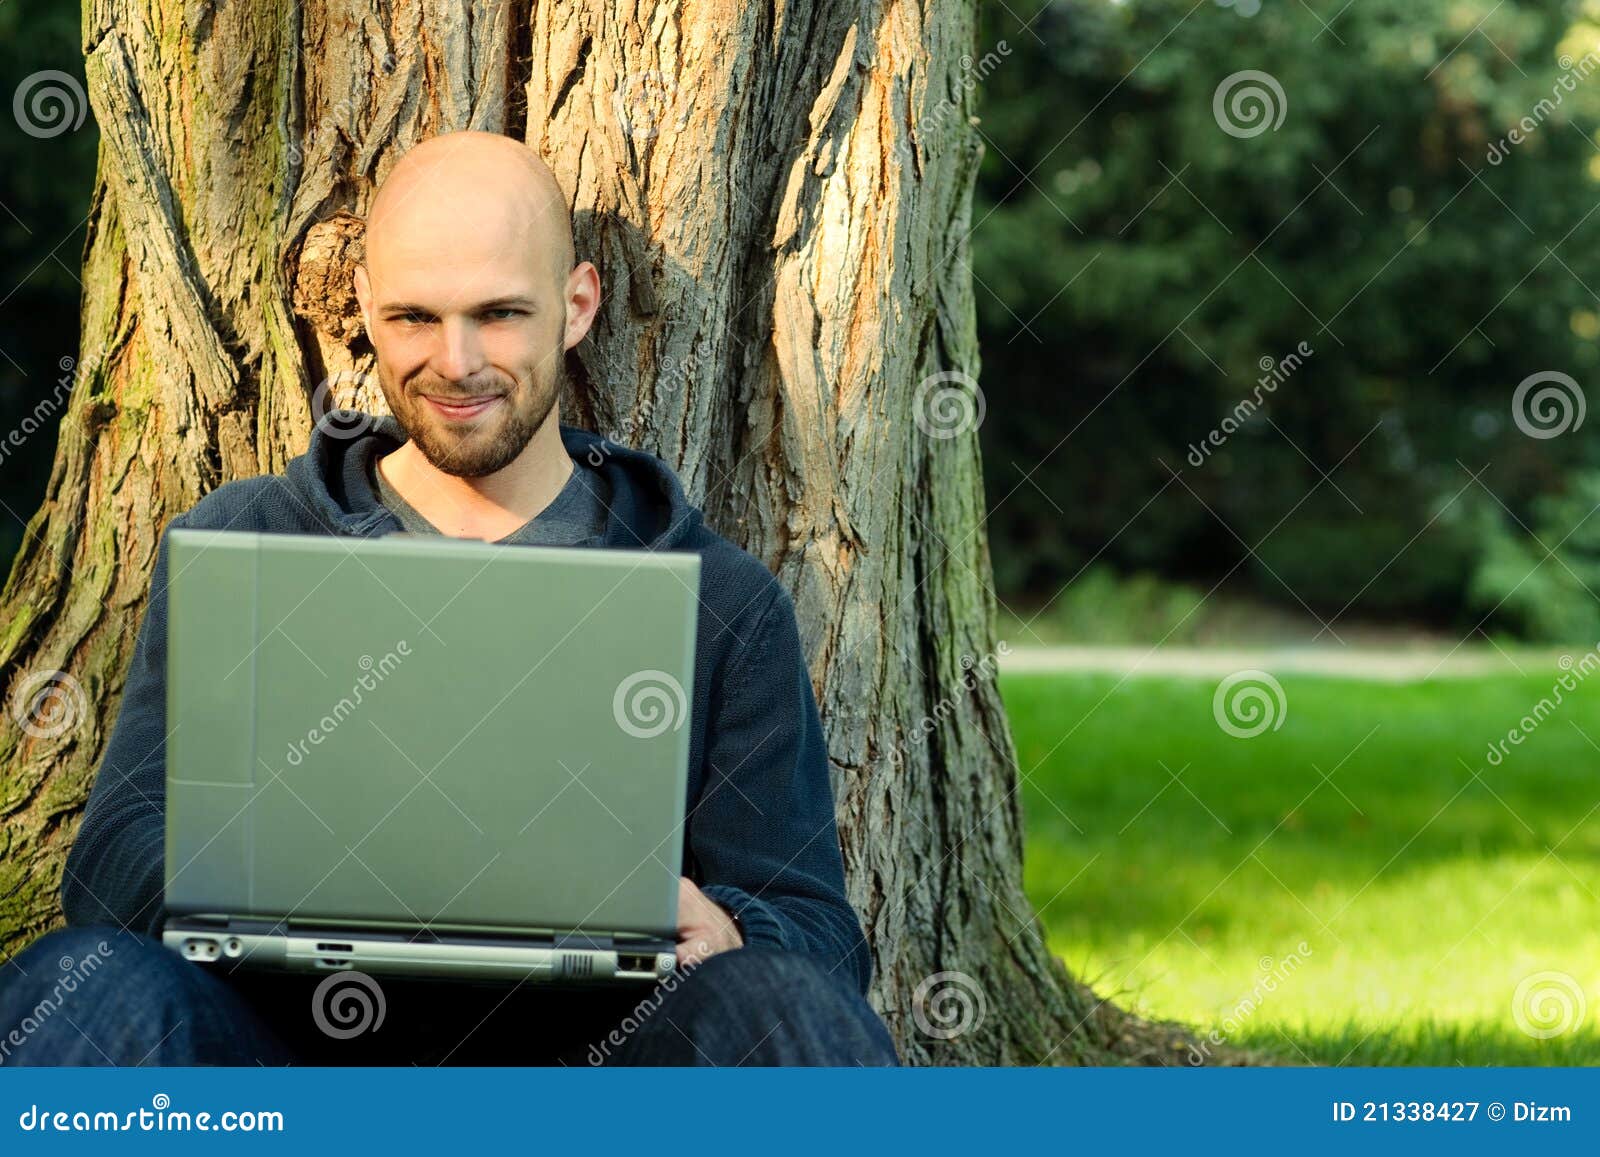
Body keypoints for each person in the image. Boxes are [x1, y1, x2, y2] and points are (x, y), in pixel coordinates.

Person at [0, 131, 898, 1067]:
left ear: (577, 305)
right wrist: (274, 880)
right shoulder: (249, 540)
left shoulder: (722, 600)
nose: (456, 361)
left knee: (781, 1009)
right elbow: (110, 856)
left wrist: (725, 929)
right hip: (284, 1068)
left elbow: (818, 933)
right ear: (364, 309)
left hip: (592, 1086)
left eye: (500, 313)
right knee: (89, 985)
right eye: (414, 317)